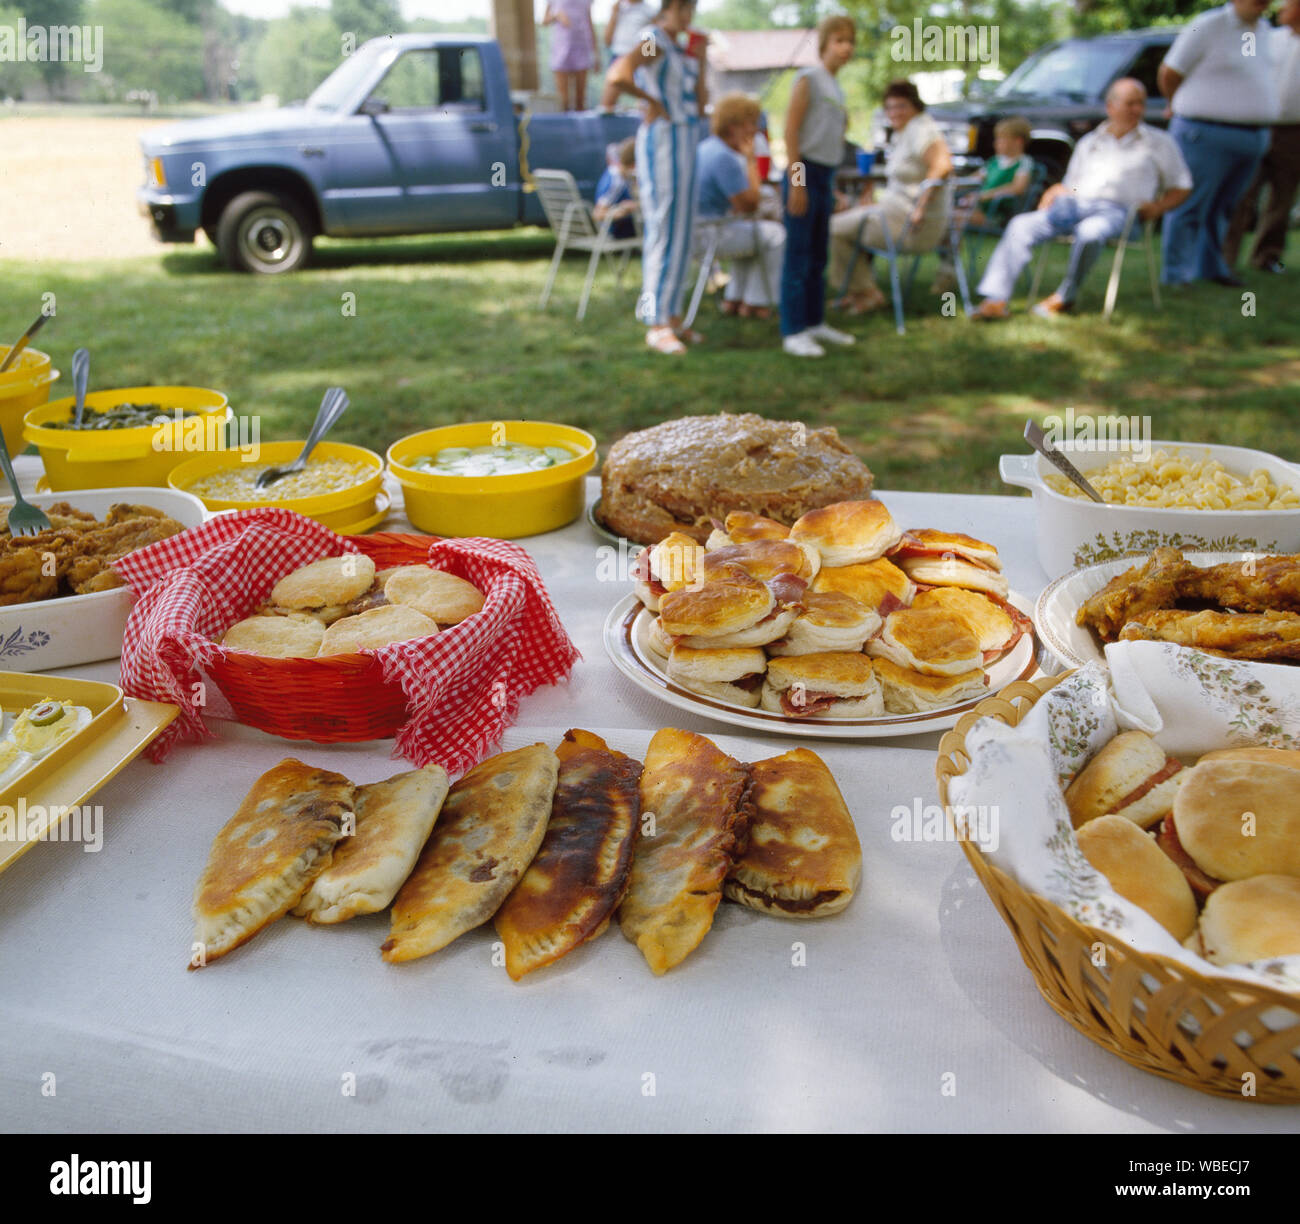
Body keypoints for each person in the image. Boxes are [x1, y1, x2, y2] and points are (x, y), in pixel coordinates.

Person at [971, 78, 1192, 320]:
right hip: (1075, 206)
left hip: (1121, 213)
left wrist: (1159, 207)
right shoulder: (1089, 142)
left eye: (1140, 103)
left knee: (1090, 231)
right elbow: (1071, 185)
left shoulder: (1159, 143)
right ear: (1111, 107)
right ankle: (996, 300)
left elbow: (1182, 186)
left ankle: (1066, 296)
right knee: (1020, 224)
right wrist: (1057, 190)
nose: (1137, 110)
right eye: (1130, 104)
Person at [606, 0, 707, 355]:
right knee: (664, 227)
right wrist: (649, 100)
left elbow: (700, 98)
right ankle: (656, 321)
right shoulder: (654, 40)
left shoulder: (679, 48)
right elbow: (619, 73)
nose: (688, 15)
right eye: (684, 7)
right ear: (669, 7)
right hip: (664, 141)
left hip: (687, 138)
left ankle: (673, 314)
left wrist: (703, 57)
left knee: (682, 228)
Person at [1157, 0, 1277, 287]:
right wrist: (1177, 103)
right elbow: (1170, 72)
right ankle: (1176, 275)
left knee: (1224, 207)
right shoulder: (1207, 25)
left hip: (1252, 136)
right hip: (1205, 132)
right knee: (1190, 204)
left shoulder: (1265, 29)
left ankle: (1209, 267)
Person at [828, 79, 953, 315]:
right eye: (890, 107)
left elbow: (943, 166)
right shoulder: (905, 132)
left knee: (834, 228)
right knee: (842, 223)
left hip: (912, 223)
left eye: (901, 106)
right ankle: (858, 292)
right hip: (894, 214)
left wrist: (921, 207)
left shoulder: (921, 130)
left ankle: (866, 293)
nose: (894, 113)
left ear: (915, 106)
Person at [780, 14, 858, 358]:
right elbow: (791, 132)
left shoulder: (836, 86)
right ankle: (793, 330)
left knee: (818, 255)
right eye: (839, 40)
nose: (846, 47)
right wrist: (797, 184)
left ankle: (815, 322)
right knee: (798, 255)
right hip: (804, 173)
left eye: (850, 41)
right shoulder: (808, 78)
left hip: (826, 176)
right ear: (824, 43)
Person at [694, 93, 785, 319]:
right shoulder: (724, 157)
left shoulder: (706, 148)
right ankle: (758, 303)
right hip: (708, 235)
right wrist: (751, 160)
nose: (755, 130)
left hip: (697, 230)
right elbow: (750, 205)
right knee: (776, 235)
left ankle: (735, 299)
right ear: (733, 126)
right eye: (751, 124)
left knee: (751, 232)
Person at [1225, 0, 1300, 273]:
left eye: (1287, 5)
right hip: (1257, 125)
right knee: (1242, 192)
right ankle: (1225, 258)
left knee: (1282, 198)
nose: (1280, 10)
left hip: (1294, 132)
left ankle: (1266, 256)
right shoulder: (1269, 38)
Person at [934, 115, 1034, 291]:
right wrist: (952, 182)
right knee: (945, 216)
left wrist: (983, 196)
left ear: (1018, 142)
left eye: (1002, 139)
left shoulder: (1023, 163)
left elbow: (1017, 188)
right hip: (979, 211)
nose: (997, 143)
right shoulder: (993, 162)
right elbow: (972, 180)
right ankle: (947, 266)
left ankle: (948, 269)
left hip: (1000, 215)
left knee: (953, 218)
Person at [543, 1, 600, 112]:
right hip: (561, 47)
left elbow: (589, 22)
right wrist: (556, 15)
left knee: (580, 100)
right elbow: (545, 20)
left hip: (582, 46)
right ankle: (564, 128)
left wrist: (596, 54)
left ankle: (581, 128)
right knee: (563, 100)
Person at [600, 0, 654, 109]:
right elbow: (607, 40)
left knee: (645, 104)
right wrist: (614, 13)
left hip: (639, 62)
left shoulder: (650, 11)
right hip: (618, 59)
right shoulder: (617, 8)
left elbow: (651, 46)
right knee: (606, 105)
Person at [594, 137, 639, 239]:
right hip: (616, 229)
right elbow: (598, 214)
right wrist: (622, 210)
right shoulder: (616, 180)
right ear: (633, 165)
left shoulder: (621, 175)